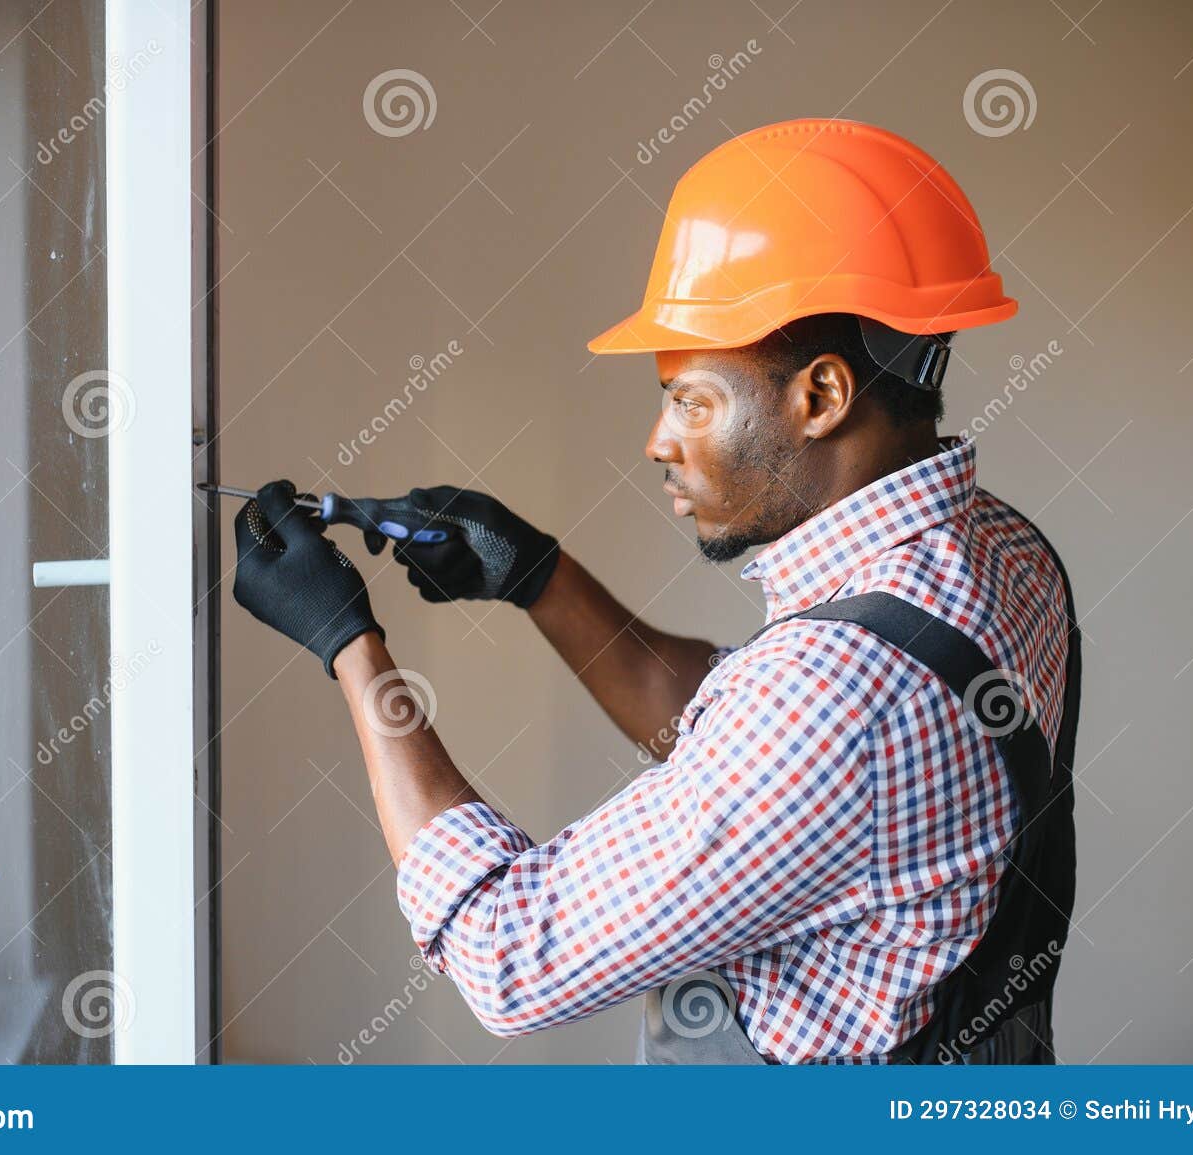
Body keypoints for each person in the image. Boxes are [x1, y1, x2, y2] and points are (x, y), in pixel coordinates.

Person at [231, 119, 1081, 1064]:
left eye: (689, 397)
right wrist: (537, 576)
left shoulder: (831, 698)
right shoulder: (998, 550)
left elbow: (505, 952)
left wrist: (348, 642)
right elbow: (740, 744)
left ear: (821, 395)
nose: (659, 440)